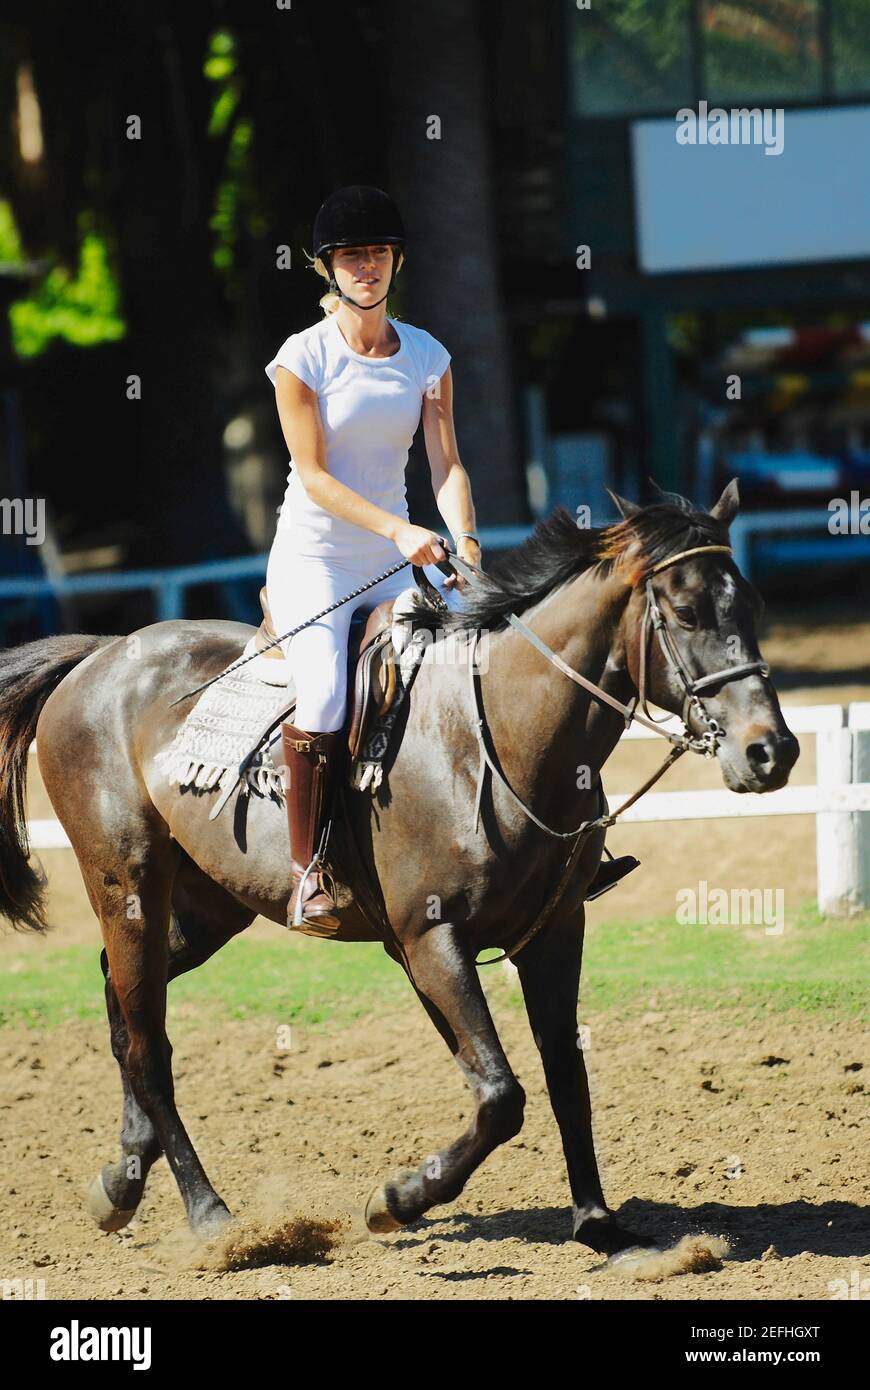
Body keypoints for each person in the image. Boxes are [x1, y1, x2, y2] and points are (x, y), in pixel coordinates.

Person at [264, 185, 480, 933]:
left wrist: (468, 543)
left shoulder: (426, 354)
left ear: (396, 262)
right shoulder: (302, 359)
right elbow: (315, 478)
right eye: (352, 256)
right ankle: (308, 871)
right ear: (328, 267)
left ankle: (545, 843)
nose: (366, 268)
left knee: (481, 664)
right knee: (324, 697)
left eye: (377, 254)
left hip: (396, 564)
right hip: (315, 564)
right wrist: (399, 530)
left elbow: (447, 466)